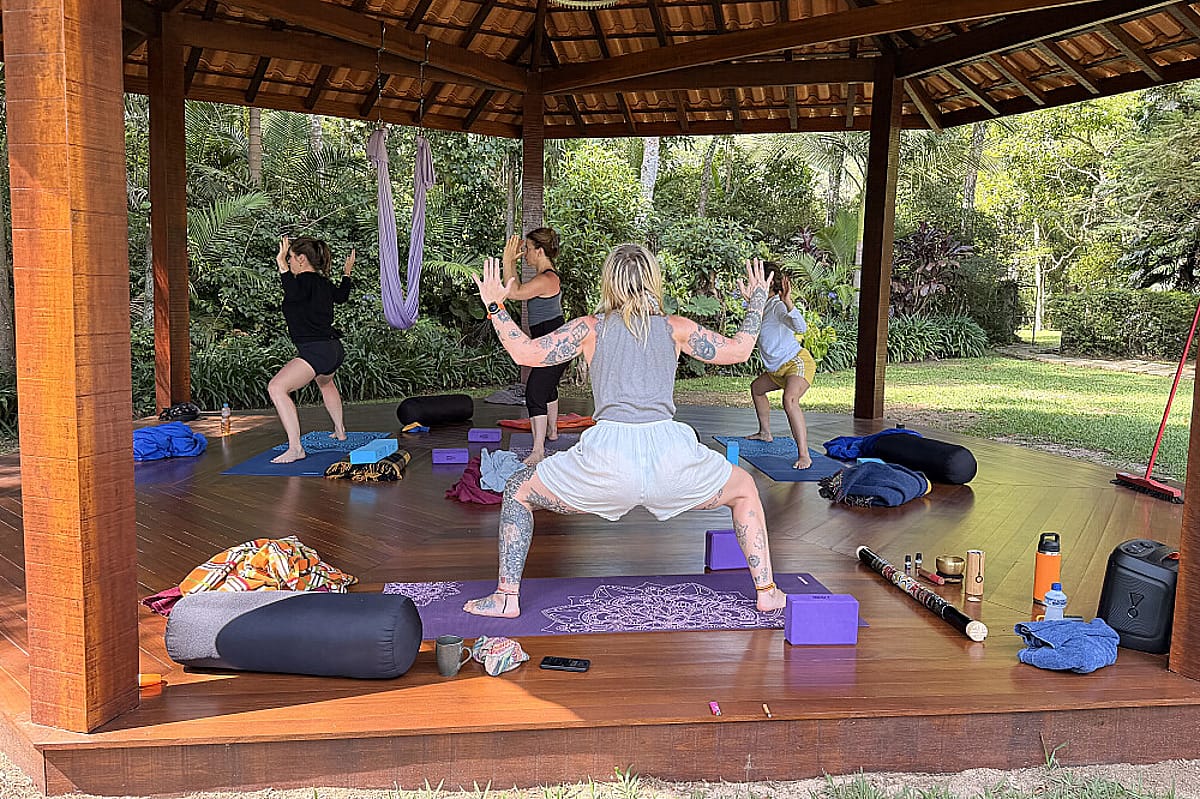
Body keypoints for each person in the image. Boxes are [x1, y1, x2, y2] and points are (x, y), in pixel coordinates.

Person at [463, 243, 787, 618]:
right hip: (672, 459)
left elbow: (526, 354)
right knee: (744, 490)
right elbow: (740, 350)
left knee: (518, 489)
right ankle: (767, 591)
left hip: (606, 463)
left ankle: (506, 597)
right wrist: (758, 300)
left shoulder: (590, 329)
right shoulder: (676, 328)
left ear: (609, 283)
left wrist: (495, 305)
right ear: (653, 280)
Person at [268, 235, 355, 464]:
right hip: (333, 349)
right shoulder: (323, 283)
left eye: (291, 258)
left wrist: (281, 264)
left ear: (301, 259)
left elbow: (294, 293)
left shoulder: (303, 282)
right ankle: (340, 430)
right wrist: (346, 274)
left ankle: (296, 448)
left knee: (277, 388)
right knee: (326, 383)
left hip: (316, 350)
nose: (289, 262)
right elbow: (342, 297)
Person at [501, 228, 569, 465]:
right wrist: (509, 263)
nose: (525, 254)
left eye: (528, 249)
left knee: (535, 393)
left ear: (540, 251)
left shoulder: (547, 279)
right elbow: (516, 287)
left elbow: (513, 292)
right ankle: (552, 432)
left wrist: (507, 261)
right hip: (550, 341)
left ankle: (538, 450)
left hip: (554, 342)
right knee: (547, 388)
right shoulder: (544, 278)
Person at [745, 267, 815, 470]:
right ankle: (765, 433)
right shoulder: (761, 307)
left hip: (796, 363)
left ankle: (804, 455)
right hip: (776, 369)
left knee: (789, 400)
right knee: (757, 388)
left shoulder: (777, 306)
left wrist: (788, 302)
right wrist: (752, 305)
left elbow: (801, 328)